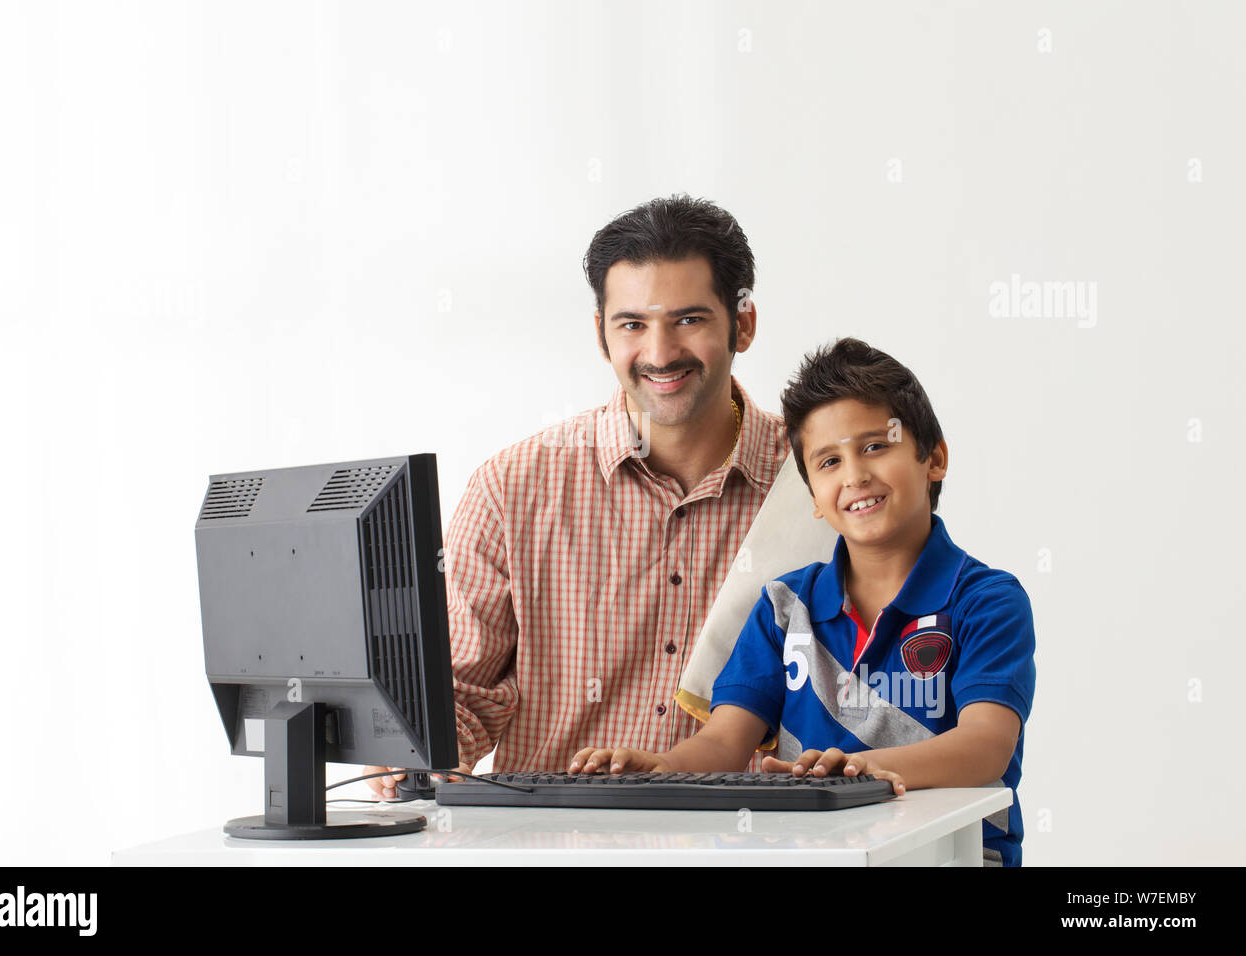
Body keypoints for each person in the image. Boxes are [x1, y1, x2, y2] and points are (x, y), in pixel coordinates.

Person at [366, 195, 798, 798]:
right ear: (601, 334)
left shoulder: (814, 482)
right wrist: (410, 750)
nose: (660, 352)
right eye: (633, 325)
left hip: (758, 848)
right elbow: (460, 695)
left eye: (689, 320)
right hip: (552, 843)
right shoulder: (511, 489)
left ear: (743, 324)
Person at [571, 337, 1036, 866]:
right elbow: (725, 743)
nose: (855, 475)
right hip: (815, 856)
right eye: (829, 461)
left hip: (953, 856)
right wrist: (663, 770)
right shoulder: (783, 606)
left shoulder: (987, 601)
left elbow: (985, 746)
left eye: (875, 447)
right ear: (813, 496)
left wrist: (866, 771)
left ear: (934, 459)